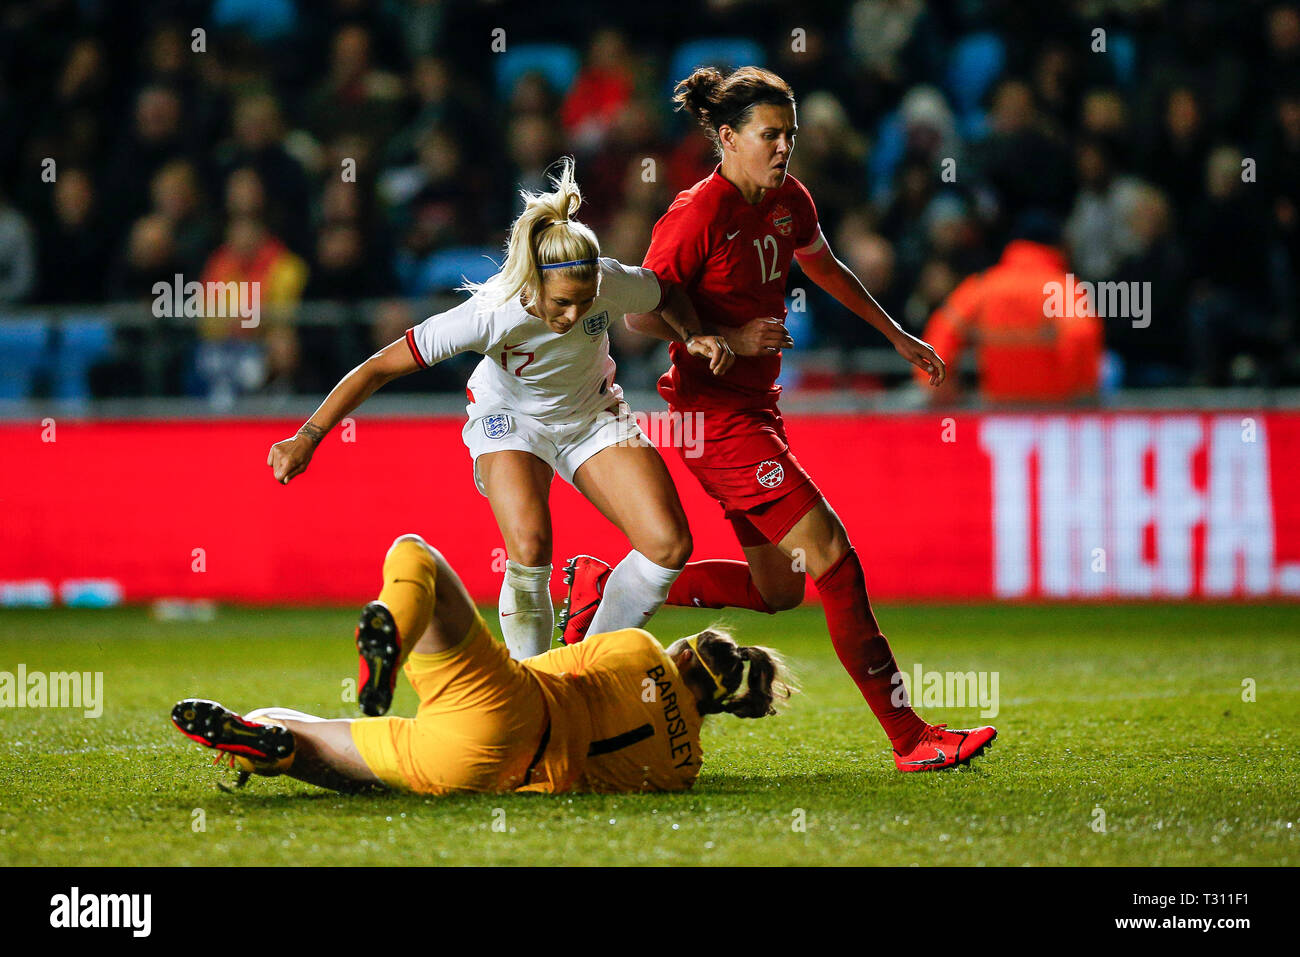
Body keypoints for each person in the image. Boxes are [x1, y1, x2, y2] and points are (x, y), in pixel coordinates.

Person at [558, 67, 995, 773]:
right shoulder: (698, 213)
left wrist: (899, 336)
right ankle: (910, 735)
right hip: (715, 418)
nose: (783, 146)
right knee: (833, 557)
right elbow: (641, 310)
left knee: (778, 588)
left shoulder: (789, 199)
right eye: (770, 134)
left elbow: (828, 270)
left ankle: (605, 585)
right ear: (728, 138)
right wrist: (725, 340)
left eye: (788, 133)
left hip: (756, 411)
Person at [266, 159, 733, 660]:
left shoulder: (609, 280)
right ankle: (531, 683)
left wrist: (692, 334)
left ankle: (581, 669)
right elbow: (379, 367)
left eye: (586, 300)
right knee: (530, 551)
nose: (575, 314)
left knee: (668, 547)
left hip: (592, 416)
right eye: (563, 303)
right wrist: (309, 435)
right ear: (533, 282)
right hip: (510, 420)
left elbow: (666, 291)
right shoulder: (490, 313)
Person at [170, 533, 795, 796]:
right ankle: (274, 743)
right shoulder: (683, 769)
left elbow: (550, 664)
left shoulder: (640, 650)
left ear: (686, 652)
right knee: (297, 734)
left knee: (414, 554)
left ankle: (392, 629)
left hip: (510, 705)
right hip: (478, 773)